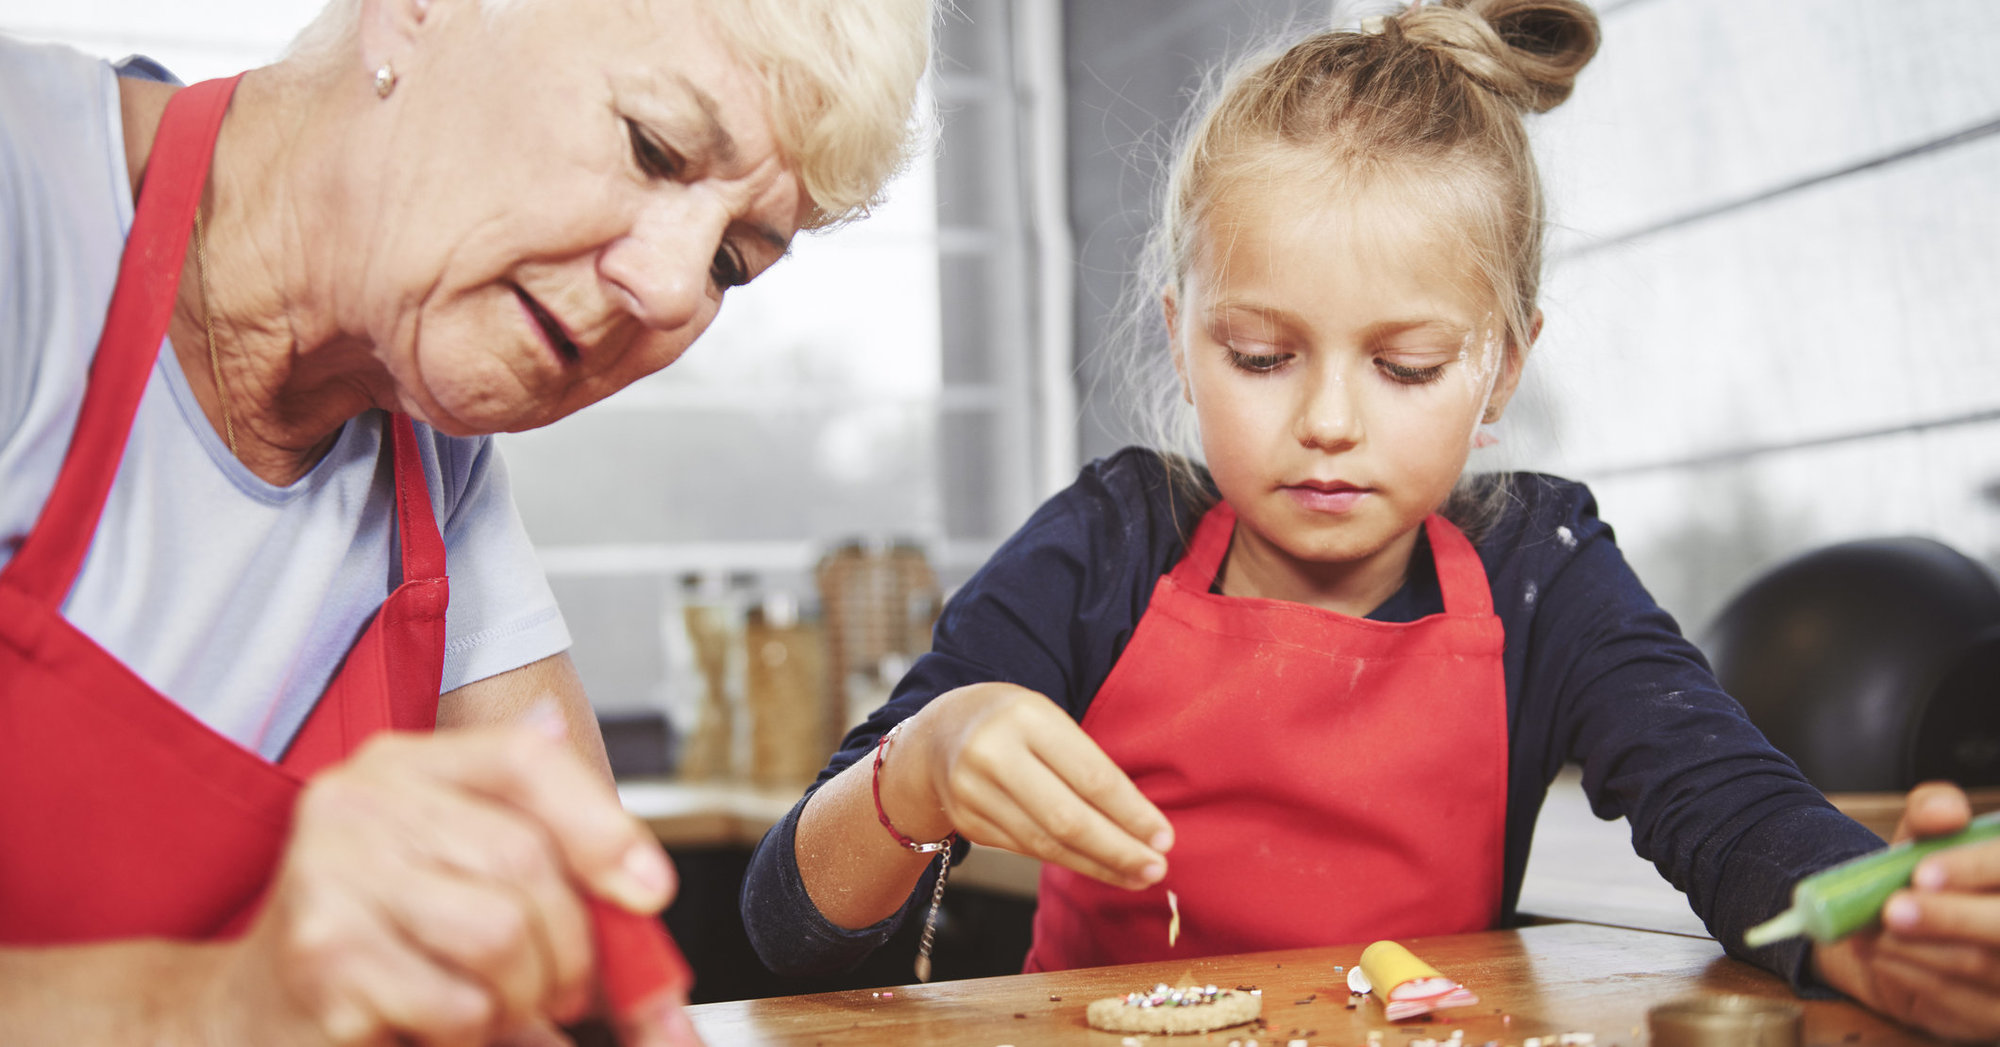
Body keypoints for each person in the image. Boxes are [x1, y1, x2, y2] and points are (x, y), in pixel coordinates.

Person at [741, 1, 2000, 1040]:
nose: (1328, 423)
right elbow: (788, 927)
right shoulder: (1104, 550)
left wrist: (1870, 921)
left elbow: (1726, 812)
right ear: (1181, 338)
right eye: (1259, 353)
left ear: (1501, 368)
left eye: (1402, 367)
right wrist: (918, 772)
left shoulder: (1539, 572)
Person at [0, 0, 930, 1041]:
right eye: (652, 146)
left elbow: (587, 957)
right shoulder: (23, 199)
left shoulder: (429, 456)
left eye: (729, 264)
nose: (670, 292)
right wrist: (209, 1010)